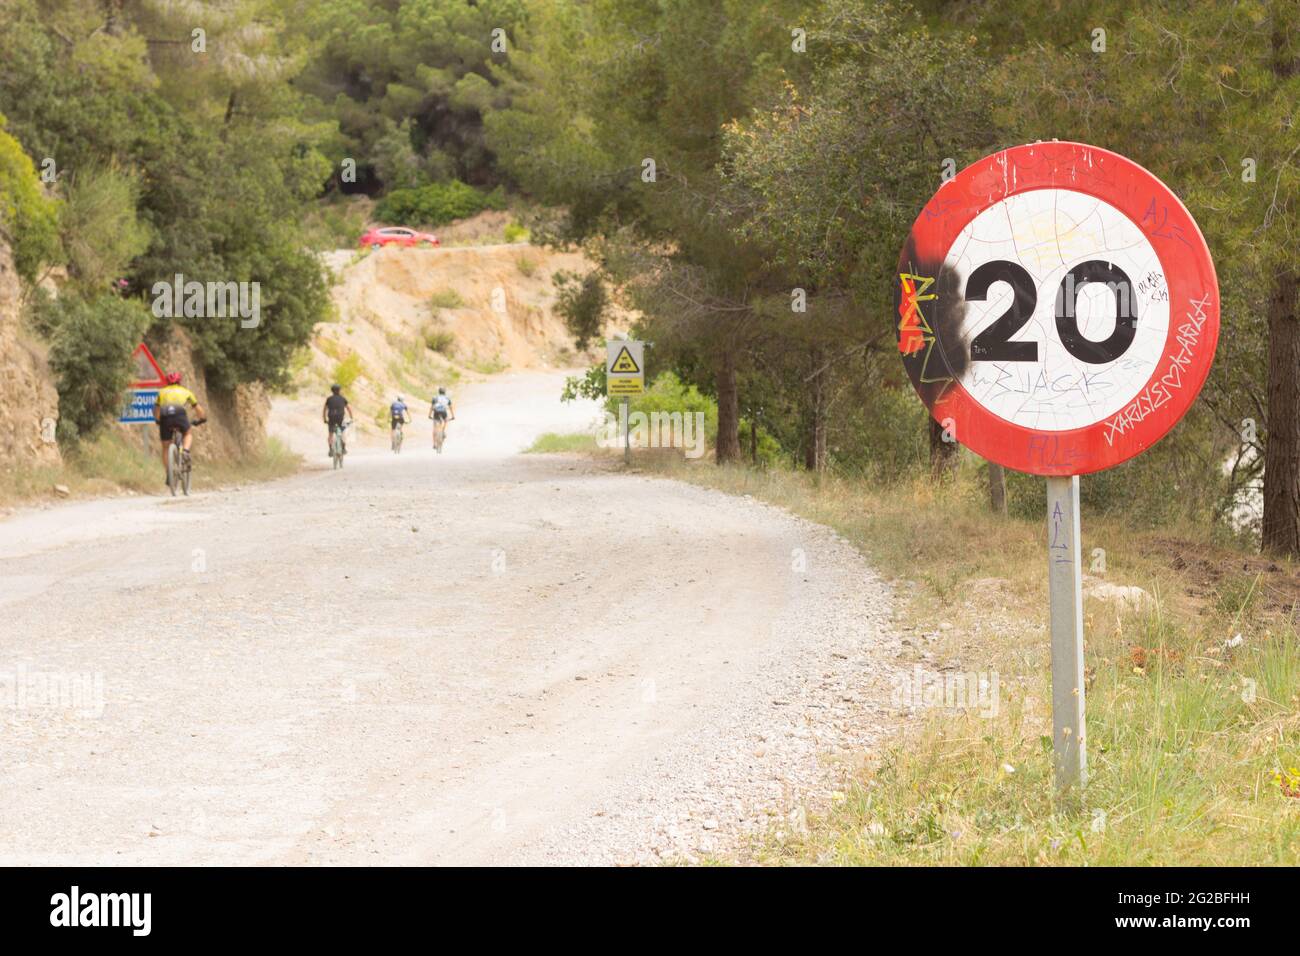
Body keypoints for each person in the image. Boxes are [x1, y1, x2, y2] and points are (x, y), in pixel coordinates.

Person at [154, 371, 206, 483]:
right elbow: (197, 408)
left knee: (166, 447)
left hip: (165, 417)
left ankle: (169, 473)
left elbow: (157, 410)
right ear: (179, 381)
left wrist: (158, 420)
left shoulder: (161, 392)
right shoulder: (186, 392)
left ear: (167, 382)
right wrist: (202, 418)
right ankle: (186, 451)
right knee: (187, 433)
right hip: (180, 415)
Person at [322, 384, 353, 456]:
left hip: (331, 418)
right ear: (339, 390)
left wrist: (324, 419)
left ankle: (330, 450)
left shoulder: (329, 399)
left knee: (330, 434)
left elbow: (325, 409)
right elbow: (348, 409)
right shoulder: (343, 398)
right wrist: (351, 418)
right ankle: (343, 448)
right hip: (340, 418)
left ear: (332, 391)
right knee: (342, 433)